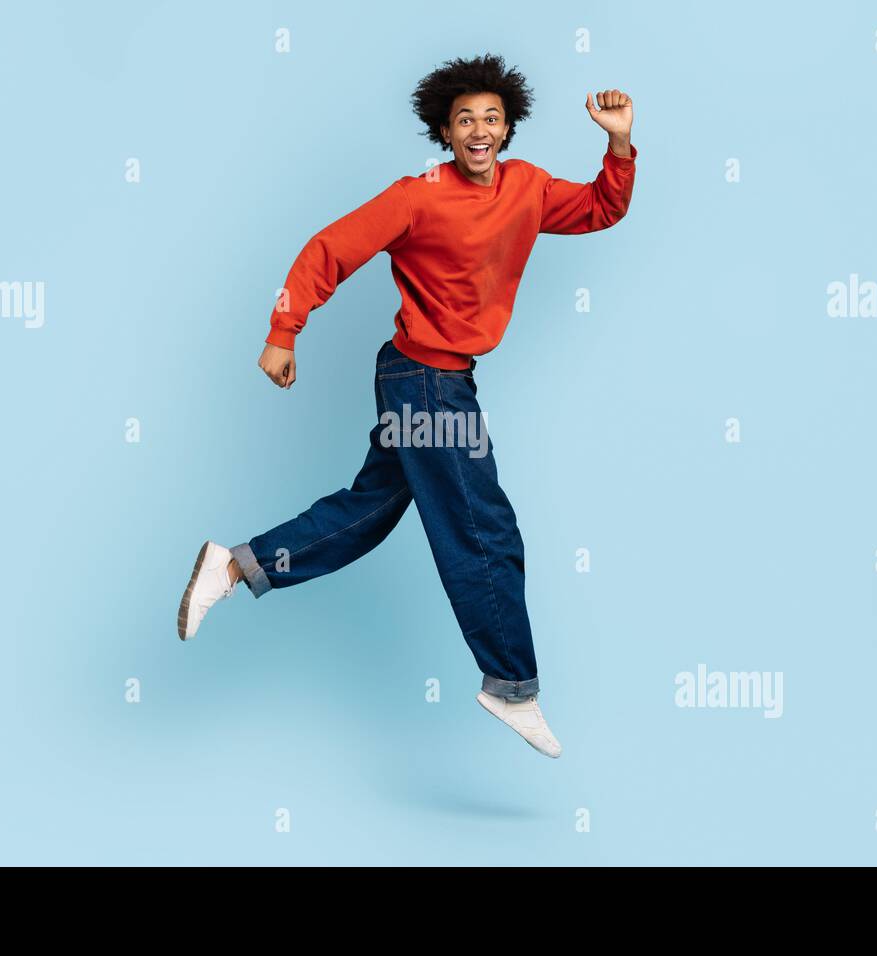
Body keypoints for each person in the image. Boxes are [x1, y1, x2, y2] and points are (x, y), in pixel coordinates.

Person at [177, 53, 637, 758]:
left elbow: (602, 208)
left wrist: (617, 143)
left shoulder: (530, 188)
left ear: (508, 128)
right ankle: (510, 684)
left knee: (368, 512)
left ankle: (234, 566)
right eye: (464, 121)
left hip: (443, 378)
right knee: (485, 526)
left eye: (490, 118)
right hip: (422, 378)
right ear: (446, 134)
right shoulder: (418, 196)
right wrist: (283, 331)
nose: (478, 130)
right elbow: (330, 248)